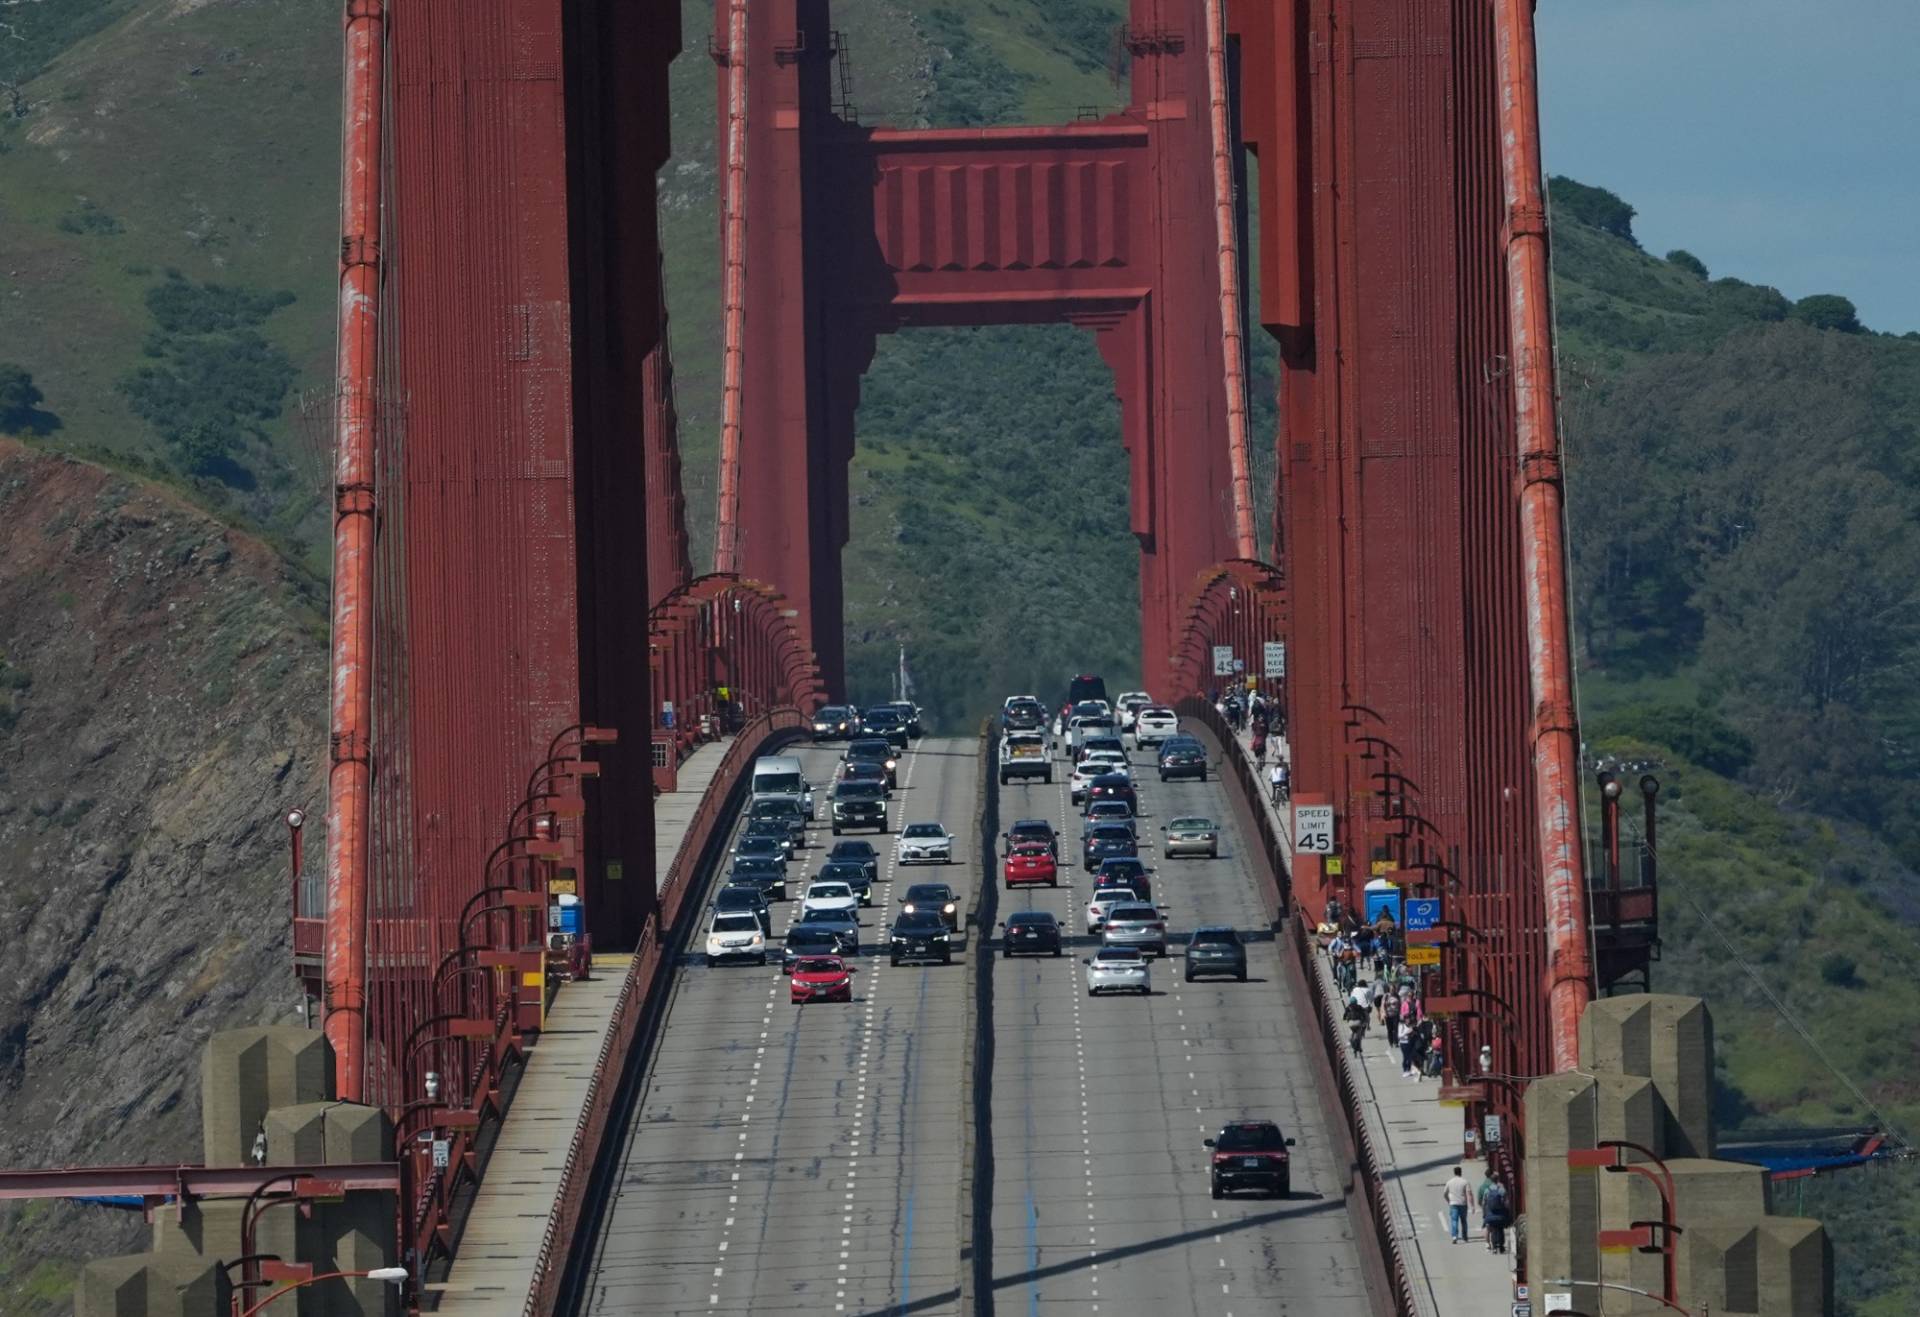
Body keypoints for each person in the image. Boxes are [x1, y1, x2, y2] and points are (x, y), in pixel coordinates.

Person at [1478, 1172, 1511, 1254]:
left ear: (1491, 1180)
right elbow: (1506, 1203)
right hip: (1500, 1214)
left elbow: (1483, 1203)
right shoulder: (1501, 1190)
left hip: (1490, 1214)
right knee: (1500, 1229)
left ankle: (1494, 1247)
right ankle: (1501, 1246)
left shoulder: (1487, 1190)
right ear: (1497, 1180)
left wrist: (1484, 1214)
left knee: (1493, 1229)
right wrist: (1507, 1212)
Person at [1443, 1167, 1473, 1244]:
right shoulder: (1465, 1182)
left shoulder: (1449, 1182)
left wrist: (1449, 1201)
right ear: (1461, 1172)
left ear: (1454, 1172)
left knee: (1454, 1220)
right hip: (1463, 1203)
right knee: (1464, 1221)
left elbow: (1445, 1193)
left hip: (1453, 1203)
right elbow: (1469, 1194)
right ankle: (1465, 1236)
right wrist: (1472, 1206)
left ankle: (1454, 1236)